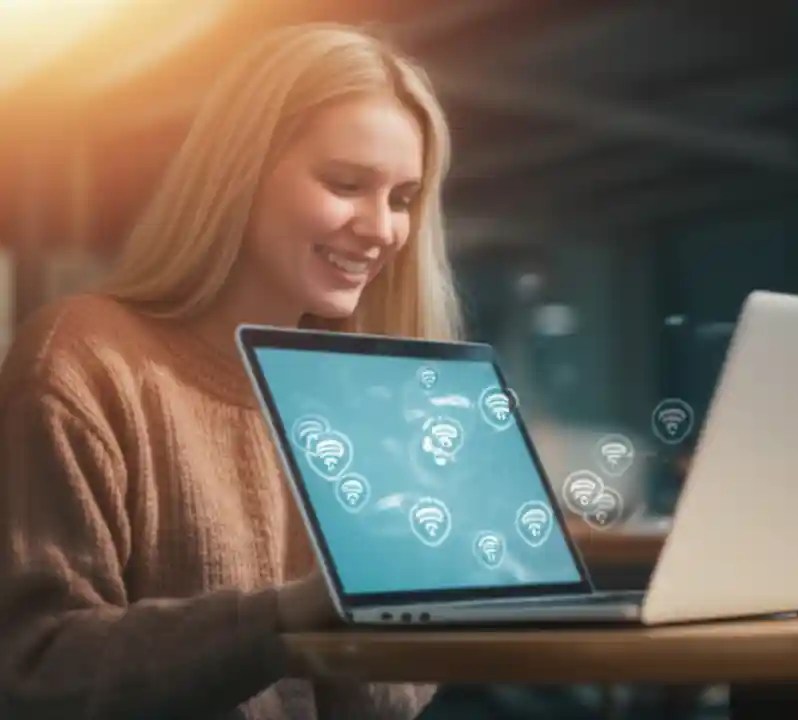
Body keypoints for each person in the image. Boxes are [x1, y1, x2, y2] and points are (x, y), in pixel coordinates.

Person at [0, 22, 459, 719]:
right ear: (239, 172)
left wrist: (442, 589)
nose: (383, 229)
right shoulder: (86, 360)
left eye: (401, 199)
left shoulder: (365, 401)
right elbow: (36, 668)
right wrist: (286, 617)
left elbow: (384, 706)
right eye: (345, 184)